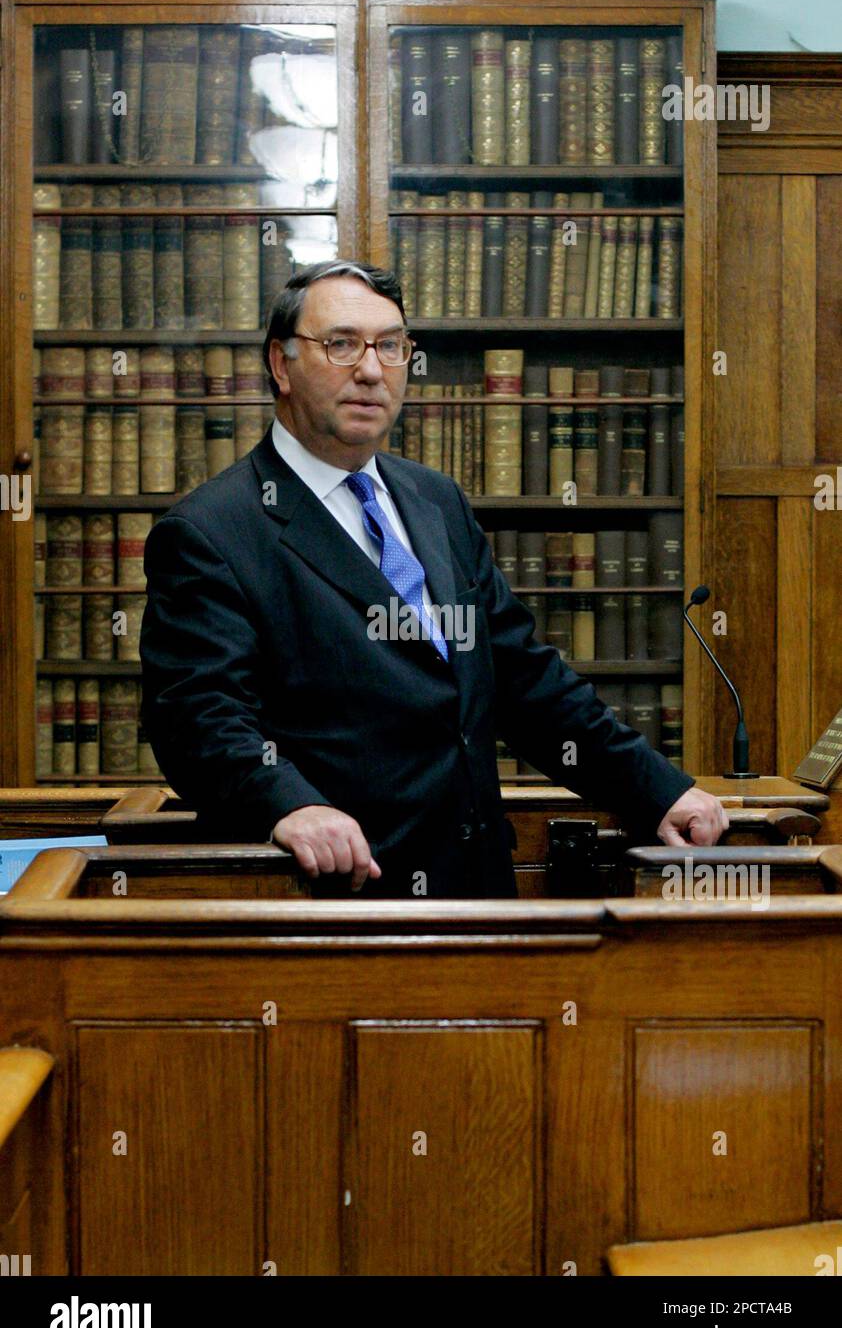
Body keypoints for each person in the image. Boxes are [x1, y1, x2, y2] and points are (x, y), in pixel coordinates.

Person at [140, 260, 726, 899]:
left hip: (482, 889)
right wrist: (289, 805)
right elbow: (197, 720)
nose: (370, 370)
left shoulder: (434, 500)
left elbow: (524, 679)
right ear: (281, 365)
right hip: (344, 901)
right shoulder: (211, 531)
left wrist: (656, 788)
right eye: (340, 344)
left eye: (390, 346)